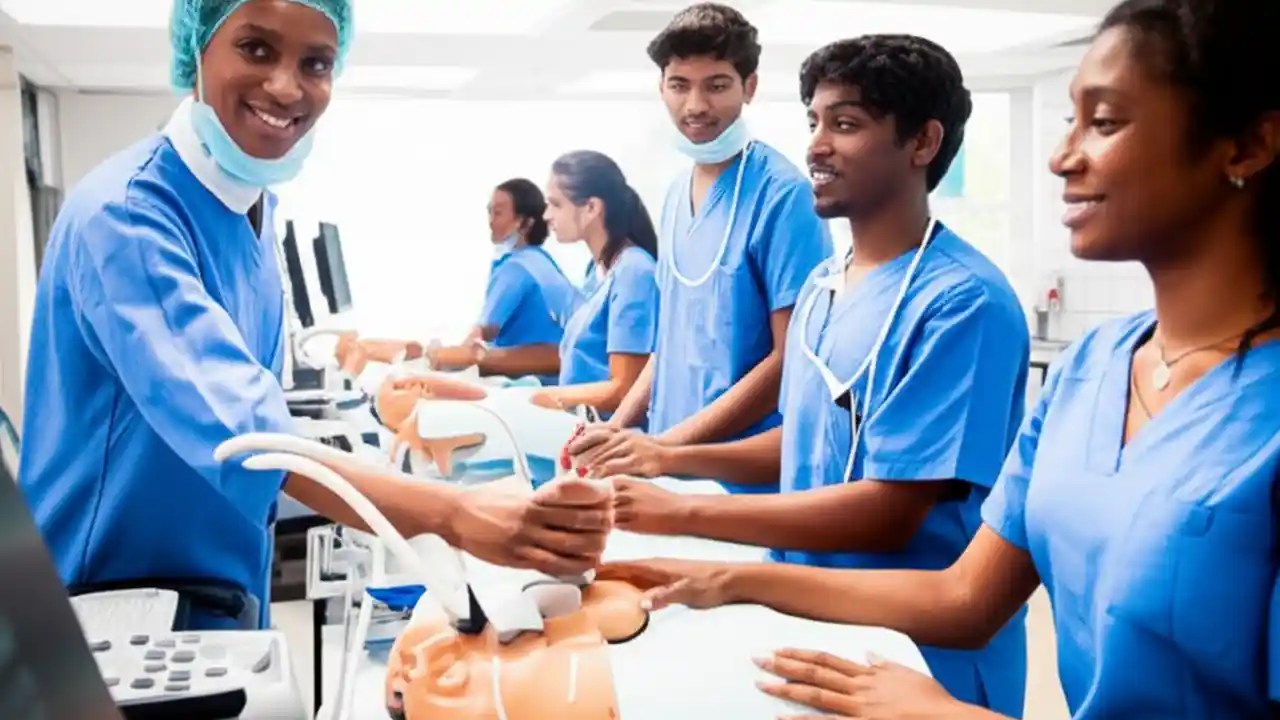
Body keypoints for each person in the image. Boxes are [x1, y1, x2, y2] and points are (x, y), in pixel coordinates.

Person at [605, 0, 1280, 717]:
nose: (1061, 158)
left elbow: (899, 524)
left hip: (927, 677)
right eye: (1068, 123)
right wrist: (720, 573)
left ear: (1245, 146)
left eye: (1106, 123)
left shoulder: (969, 302)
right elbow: (965, 594)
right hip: (849, 653)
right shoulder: (1093, 369)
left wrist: (948, 713)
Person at [17, 0, 611, 632]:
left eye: (316, 62)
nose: (286, 85)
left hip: (212, 587)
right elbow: (247, 439)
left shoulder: (250, 207)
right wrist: (455, 512)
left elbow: (250, 397)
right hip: (110, 604)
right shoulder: (130, 216)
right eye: (256, 48)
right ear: (197, 48)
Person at [599, 35, 1030, 715]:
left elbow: (888, 512)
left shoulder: (961, 303)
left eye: (846, 124)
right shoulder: (826, 287)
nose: (816, 146)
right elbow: (807, 444)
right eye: (814, 122)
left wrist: (688, 511)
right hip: (807, 623)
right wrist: (667, 457)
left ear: (923, 143)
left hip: (915, 658)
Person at [567, 3, 833, 493]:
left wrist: (668, 450)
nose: (695, 106)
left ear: (748, 87)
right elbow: (668, 344)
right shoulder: (674, 194)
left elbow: (789, 358)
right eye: (679, 85)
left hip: (736, 477)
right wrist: (618, 428)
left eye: (716, 85)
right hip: (668, 466)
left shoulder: (783, 195)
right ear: (661, 87)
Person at [529, 151, 660, 417]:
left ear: (591, 208)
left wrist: (543, 398)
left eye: (555, 204)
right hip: (579, 430)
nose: (546, 215)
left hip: (614, 442)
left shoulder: (634, 273)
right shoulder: (598, 273)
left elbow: (626, 389)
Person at [429, 178, 582, 386]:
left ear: (524, 222)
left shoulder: (516, 267)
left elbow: (481, 336)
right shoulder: (540, 260)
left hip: (540, 383)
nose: (491, 220)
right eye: (489, 212)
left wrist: (437, 361)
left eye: (498, 213)